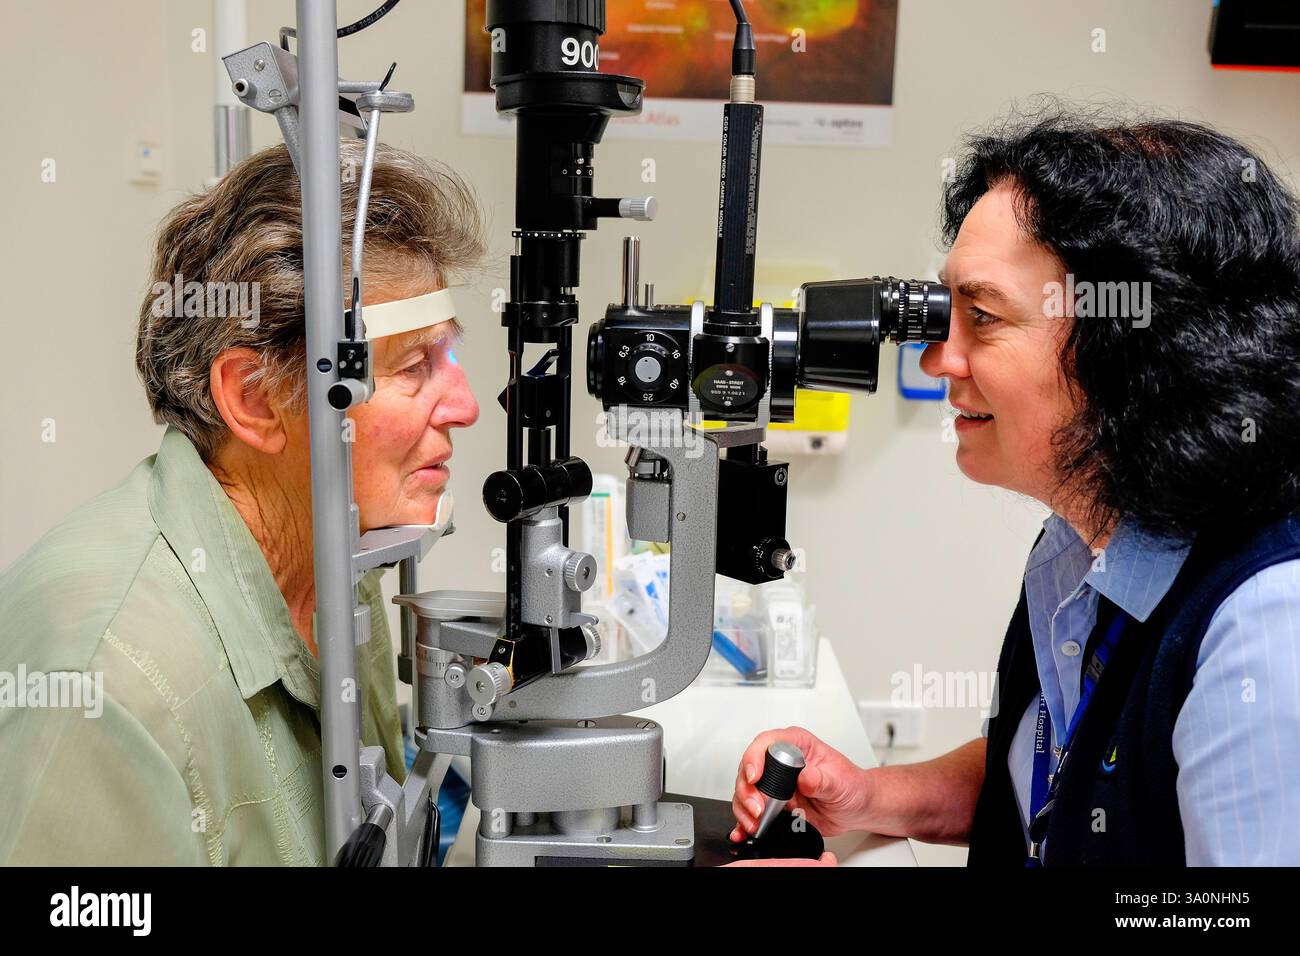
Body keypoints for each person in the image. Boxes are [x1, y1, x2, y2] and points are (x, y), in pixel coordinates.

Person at [731, 112, 1300, 866]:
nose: (938, 360)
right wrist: (871, 794)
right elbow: (1057, 780)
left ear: (1133, 349)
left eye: (983, 317)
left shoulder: (1264, 623)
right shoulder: (1082, 540)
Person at [0, 141, 485, 864]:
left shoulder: (339, 563)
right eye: (415, 365)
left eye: (448, 356)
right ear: (255, 399)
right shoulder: (112, 690)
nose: (466, 406)